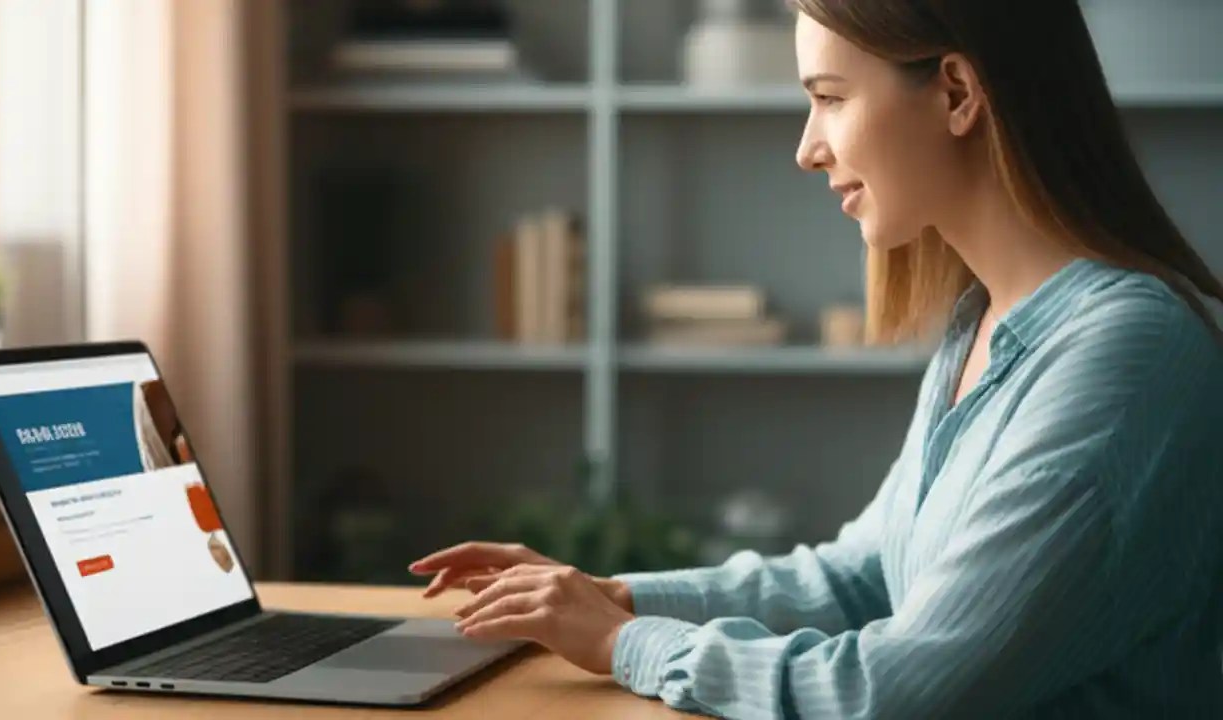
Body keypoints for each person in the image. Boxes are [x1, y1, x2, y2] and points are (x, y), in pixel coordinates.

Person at [410, 1, 1223, 716]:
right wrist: (609, 598)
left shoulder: (1126, 358)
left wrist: (628, 642)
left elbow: (895, 690)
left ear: (957, 93)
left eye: (830, 99)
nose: (808, 149)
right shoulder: (985, 323)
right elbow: (864, 577)